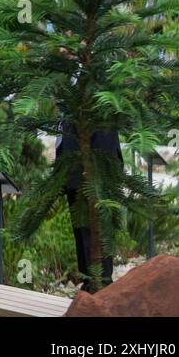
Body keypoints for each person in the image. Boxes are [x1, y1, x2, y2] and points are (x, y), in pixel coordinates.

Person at [57, 121, 121, 289]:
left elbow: (104, 134)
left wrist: (93, 173)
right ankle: (88, 282)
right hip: (73, 174)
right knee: (81, 232)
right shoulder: (68, 106)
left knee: (97, 230)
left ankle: (102, 283)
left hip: (94, 175)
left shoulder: (97, 103)